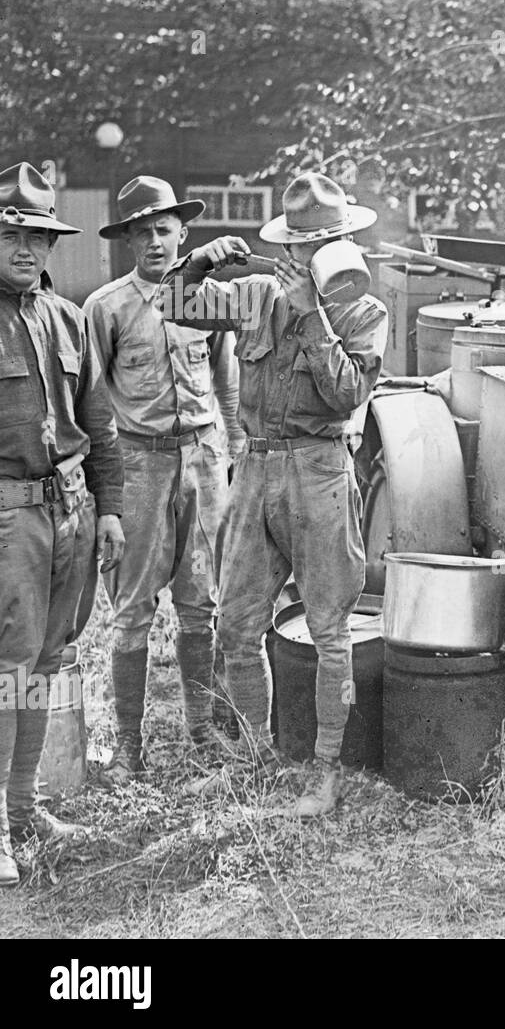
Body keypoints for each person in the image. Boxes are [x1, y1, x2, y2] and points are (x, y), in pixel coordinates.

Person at [165, 172, 387, 817]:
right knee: (236, 625)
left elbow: (348, 394)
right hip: (254, 470)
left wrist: (315, 314)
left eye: (327, 241)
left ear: (343, 242)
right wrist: (203, 258)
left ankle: (325, 773)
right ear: (286, 248)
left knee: (328, 629)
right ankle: (254, 763)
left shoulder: (361, 310)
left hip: (319, 471)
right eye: (301, 244)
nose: (310, 255)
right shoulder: (256, 294)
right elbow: (175, 306)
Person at [84, 177, 242, 784]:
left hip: (202, 461)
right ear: (127, 239)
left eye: (164, 229)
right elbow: (93, 402)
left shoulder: (207, 298)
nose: (154, 240)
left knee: (200, 605)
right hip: (138, 467)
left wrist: (233, 451)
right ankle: (129, 746)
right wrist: (106, 490)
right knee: (131, 612)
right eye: (142, 231)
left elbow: (224, 380)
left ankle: (201, 728)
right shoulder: (107, 307)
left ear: (184, 233)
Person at [0, 162, 125, 887]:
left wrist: (108, 509)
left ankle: (23, 805)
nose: (27, 249)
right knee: (8, 670)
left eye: (40, 236)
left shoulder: (69, 319)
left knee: (47, 663)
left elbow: (100, 428)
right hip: (9, 518)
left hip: (71, 511)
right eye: (14, 234)